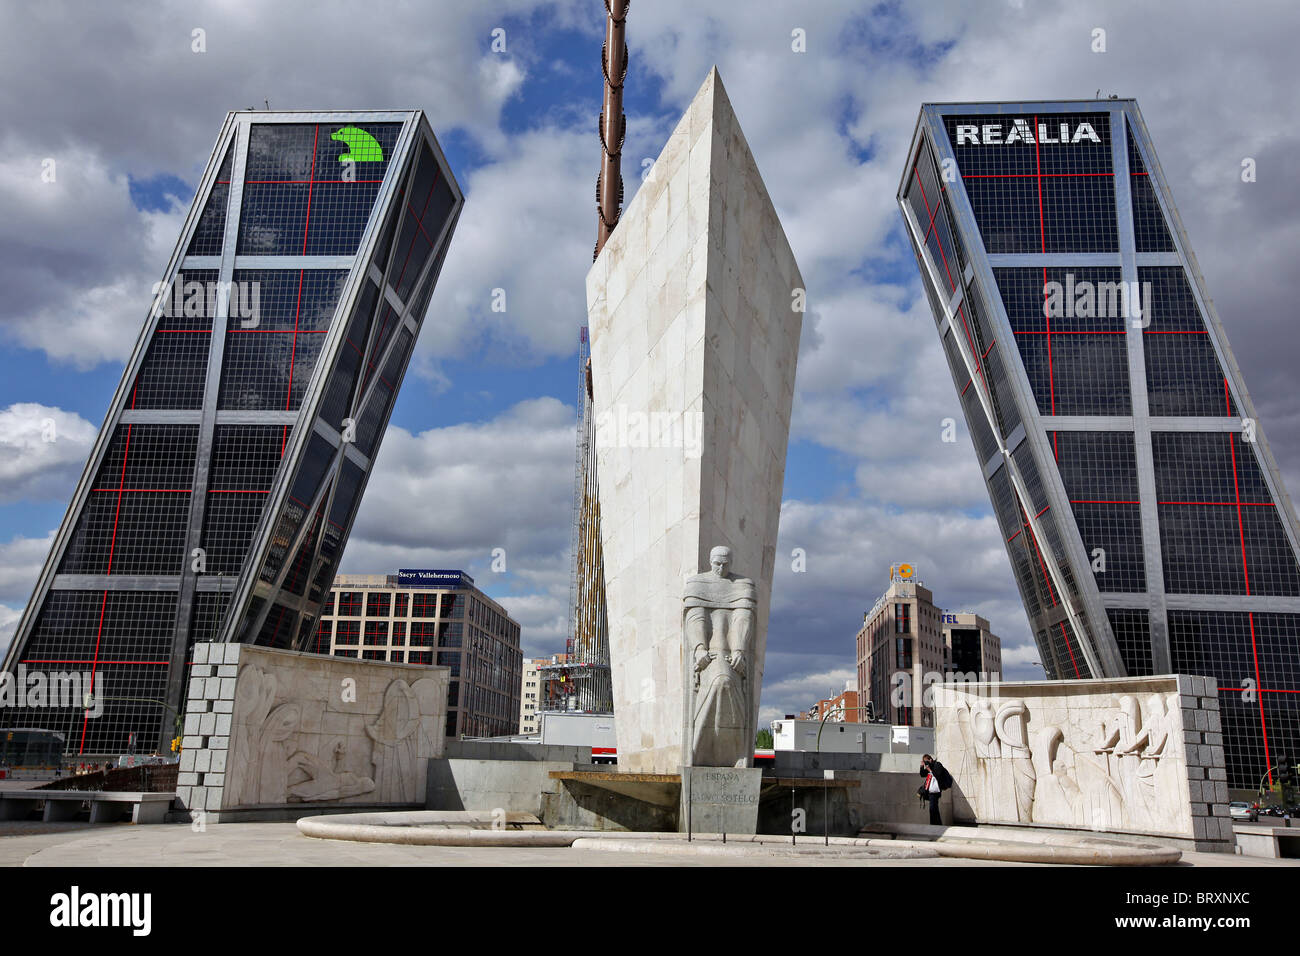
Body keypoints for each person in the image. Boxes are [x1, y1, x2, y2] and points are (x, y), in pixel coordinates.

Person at [919, 753, 951, 826]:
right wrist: (922, 766)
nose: (927, 763)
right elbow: (922, 774)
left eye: (927, 761)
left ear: (931, 759)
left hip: (936, 791)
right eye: (925, 762)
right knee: (934, 808)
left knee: (932, 808)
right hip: (931, 791)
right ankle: (938, 824)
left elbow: (938, 775)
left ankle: (933, 825)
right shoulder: (929, 766)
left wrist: (930, 770)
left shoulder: (937, 765)